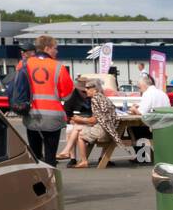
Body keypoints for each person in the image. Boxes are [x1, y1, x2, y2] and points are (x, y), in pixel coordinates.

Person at [23, 35, 73, 163]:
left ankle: (36, 180)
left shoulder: (24, 64)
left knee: (35, 155)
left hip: (31, 114)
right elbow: (67, 95)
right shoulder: (58, 67)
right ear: (47, 48)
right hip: (52, 117)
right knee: (50, 156)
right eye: (55, 48)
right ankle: (51, 180)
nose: (56, 51)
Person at [68, 79, 122, 168]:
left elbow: (94, 120)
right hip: (110, 130)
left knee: (80, 135)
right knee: (78, 128)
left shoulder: (95, 99)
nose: (86, 90)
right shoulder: (103, 98)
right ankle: (67, 151)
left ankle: (83, 161)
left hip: (103, 132)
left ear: (95, 89)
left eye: (88, 88)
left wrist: (80, 119)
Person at [56, 77, 92, 161]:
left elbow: (95, 115)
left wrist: (83, 120)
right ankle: (72, 158)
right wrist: (71, 120)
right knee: (69, 129)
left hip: (89, 120)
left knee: (76, 129)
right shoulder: (72, 96)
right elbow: (67, 111)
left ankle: (67, 152)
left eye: (87, 90)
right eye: (83, 91)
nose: (85, 92)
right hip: (75, 119)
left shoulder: (93, 96)